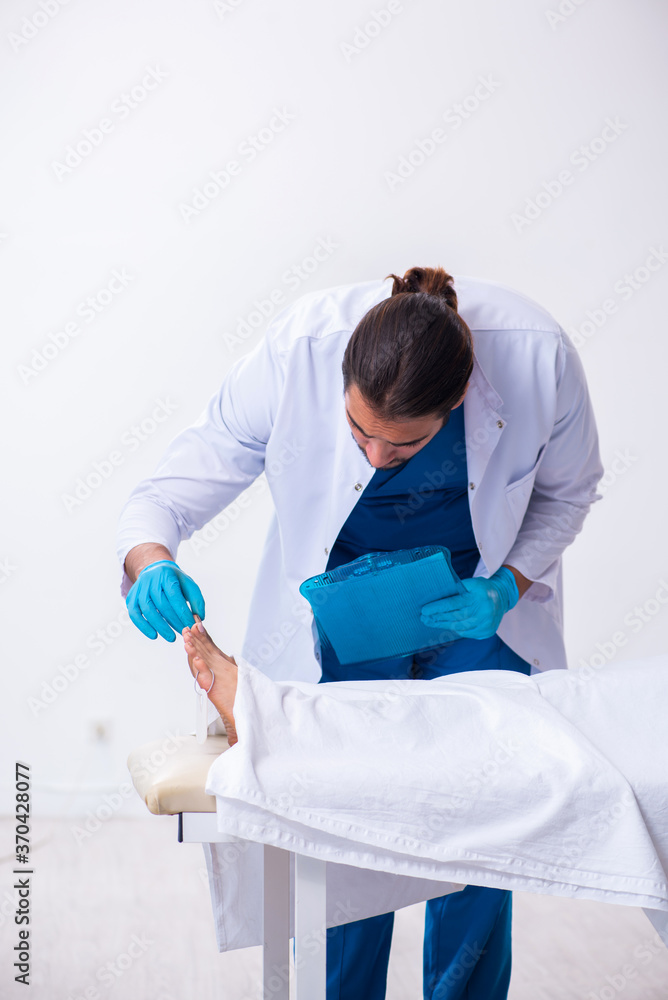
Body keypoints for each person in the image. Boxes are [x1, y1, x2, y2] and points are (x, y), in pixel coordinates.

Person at [117, 266, 604, 998]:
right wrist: (151, 559)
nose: (375, 457)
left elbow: (570, 492)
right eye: (357, 434)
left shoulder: (538, 355)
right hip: (343, 624)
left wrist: (509, 587)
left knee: (479, 828)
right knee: (343, 833)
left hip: (472, 608)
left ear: (460, 401)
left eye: (402, 449)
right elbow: (175, 486)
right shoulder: (297, 355)